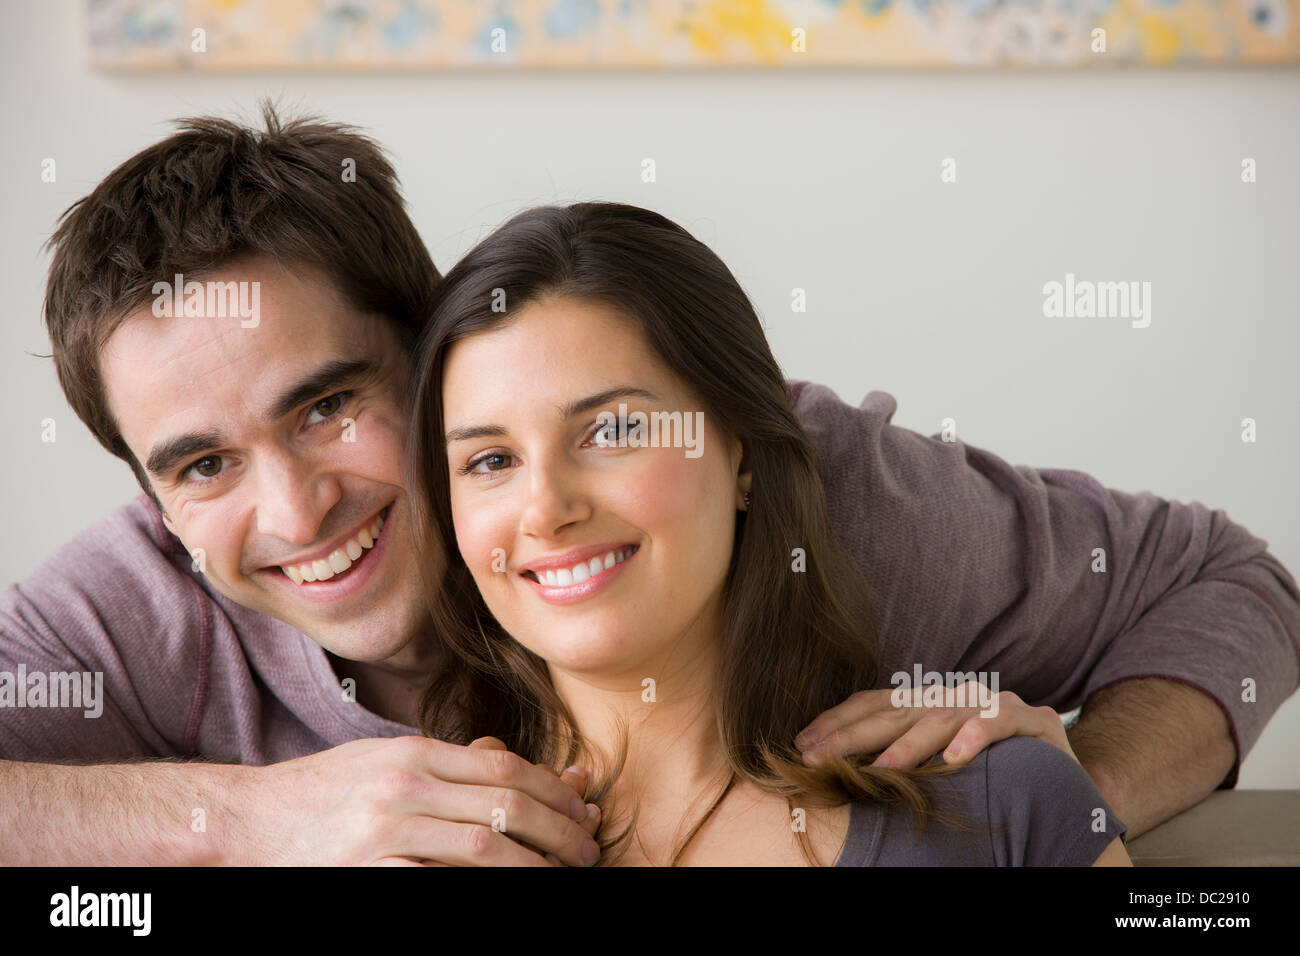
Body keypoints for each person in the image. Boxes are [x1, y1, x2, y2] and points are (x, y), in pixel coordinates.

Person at [2, 103, 1294, 864]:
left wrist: (1070, 802)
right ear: (156, 502)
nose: (295, 513)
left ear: (435, 353)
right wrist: (244, 821)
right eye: (204, 465)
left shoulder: (809, 498)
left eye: (329, 404)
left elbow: (1230, 585)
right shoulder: (131, 608)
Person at [408, 201, 1132, 865]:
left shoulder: (1007, 803)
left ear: (743, 453)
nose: (545, 508)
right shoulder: (420, 850)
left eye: (613, 430)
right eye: (490, 460)